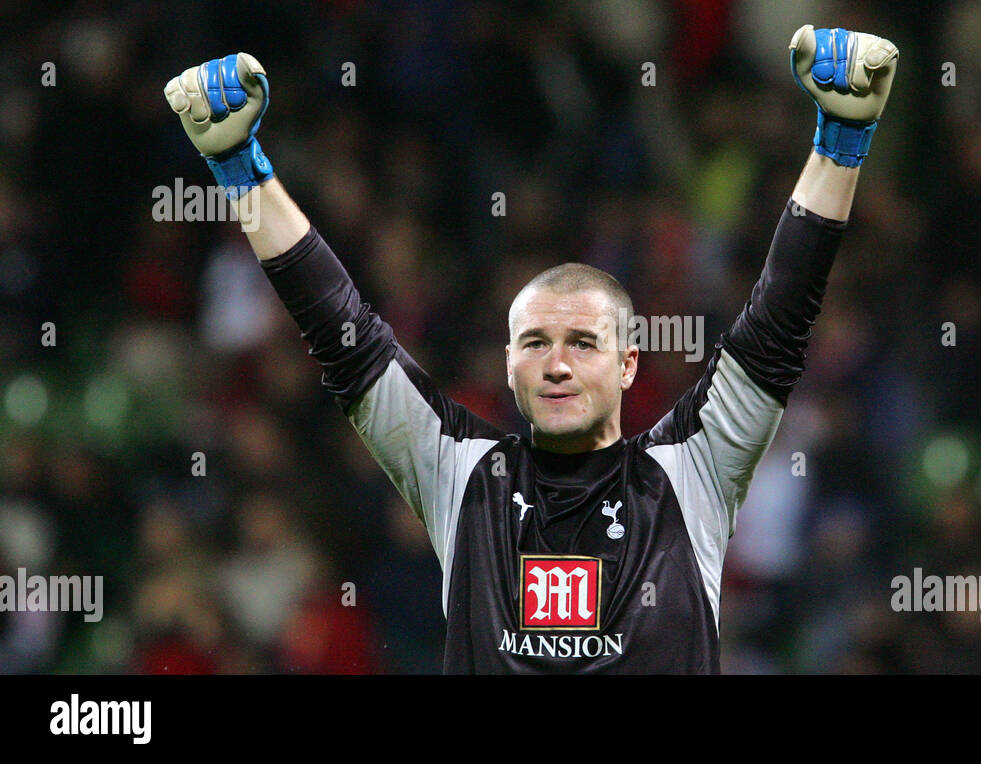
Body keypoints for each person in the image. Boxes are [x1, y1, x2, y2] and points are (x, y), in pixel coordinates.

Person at [163, 25, 899, 673]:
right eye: (537, 343)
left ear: (629, 365)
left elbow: (774, 327)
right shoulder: (458, 474)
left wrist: (840, 142)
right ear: (509, 366)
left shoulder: (694, 472)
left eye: (584, 342)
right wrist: (240, 168)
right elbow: (346, 339)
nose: (557, 362)